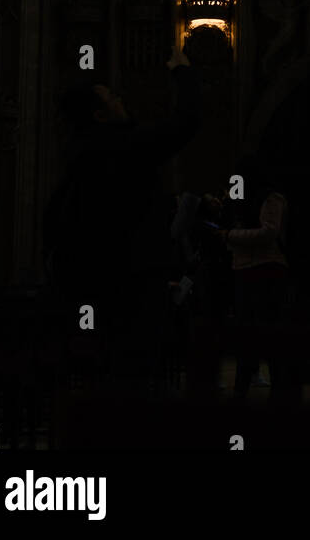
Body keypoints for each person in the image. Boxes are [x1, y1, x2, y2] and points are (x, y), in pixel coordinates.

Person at [43, 44, 202, 379]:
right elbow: (186, 122)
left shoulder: (82, 154)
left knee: (106, 372)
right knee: (135, 371)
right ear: (100, 115)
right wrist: (182, 71)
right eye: (113, 97)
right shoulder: (120, 146)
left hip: (97, 280)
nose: (120, 100)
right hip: (134, 282)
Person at [221, 156, 294, 398]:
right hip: (246, 271)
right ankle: (245, 385)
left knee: (267, 332)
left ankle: (277, 387)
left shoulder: (271, 198)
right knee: (248, 332)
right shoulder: (245, 199)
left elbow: (268, 232)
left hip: (266, 271)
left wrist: (230, 235)